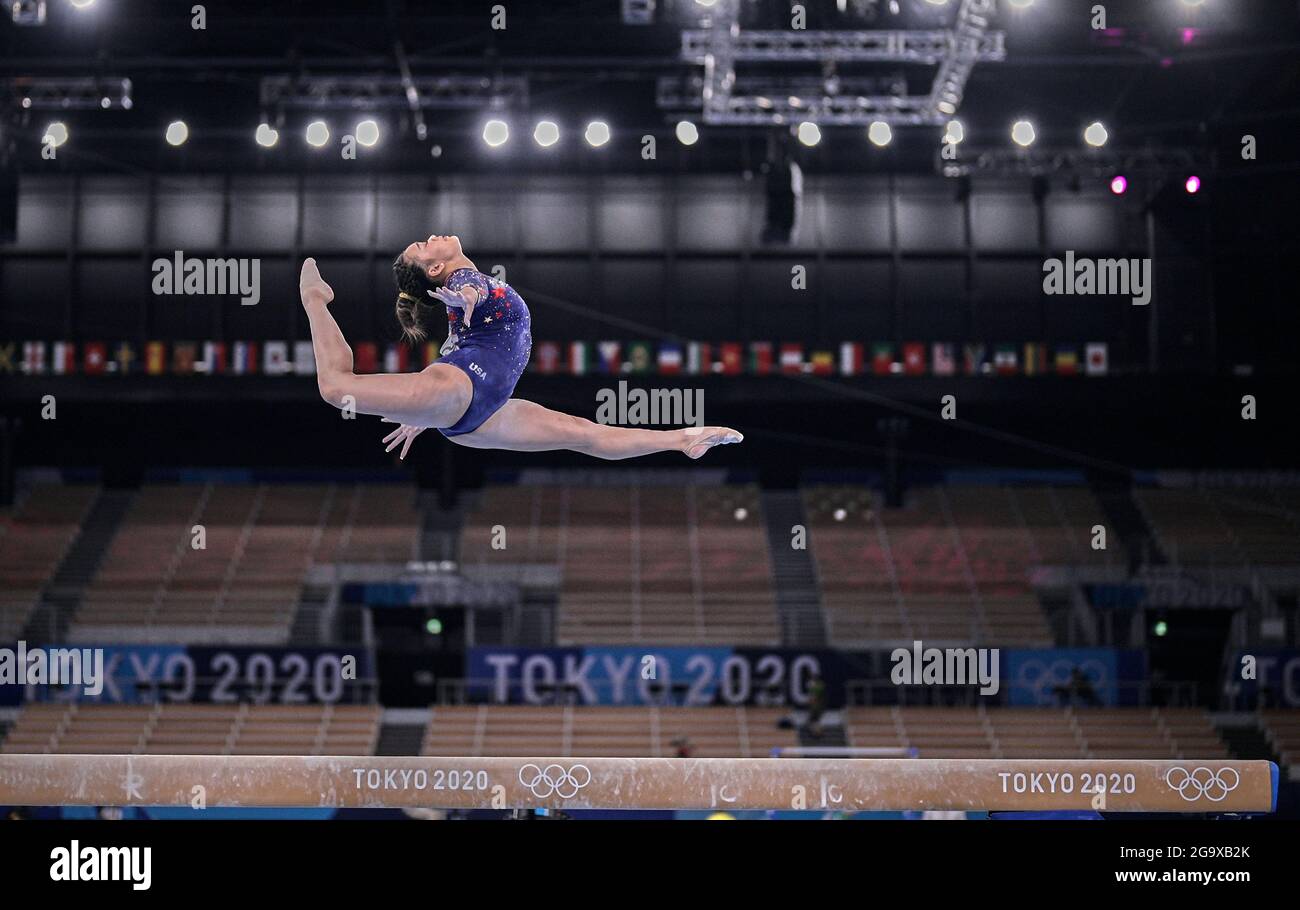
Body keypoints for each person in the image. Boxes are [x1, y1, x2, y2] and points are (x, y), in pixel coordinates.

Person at [298, 237, 743, 460]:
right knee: (335, 388)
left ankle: (683, 438)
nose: (430, 235)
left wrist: (424, 414)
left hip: (474, 409)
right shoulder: (460, 282)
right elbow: (467, 289)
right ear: (436, 267)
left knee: (583, 433)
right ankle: (315, 299)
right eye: (423, 245)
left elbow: (460, 330)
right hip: (469, 398)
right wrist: (467, 298)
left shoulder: (466, 289)